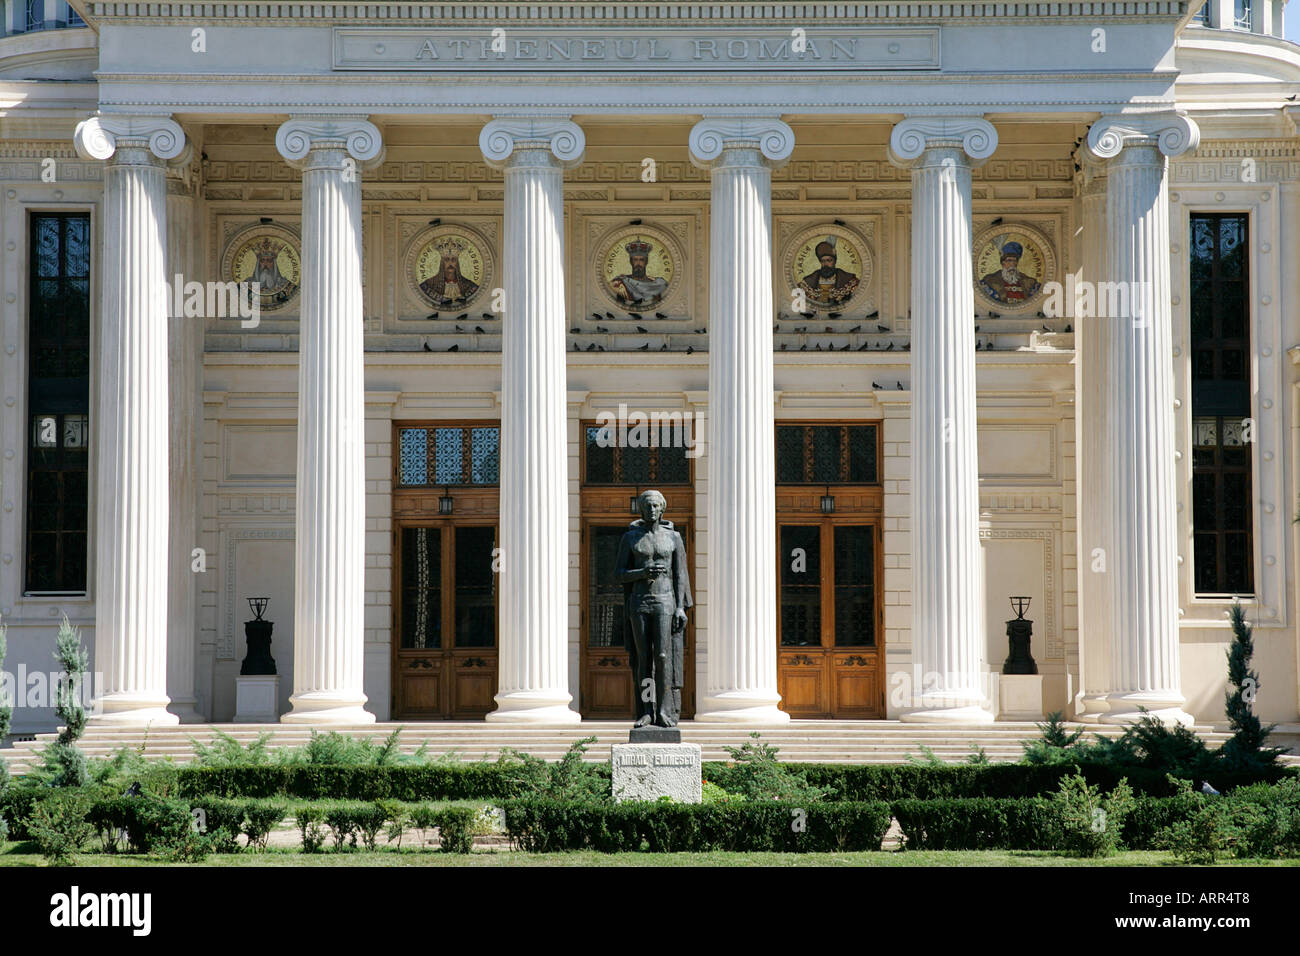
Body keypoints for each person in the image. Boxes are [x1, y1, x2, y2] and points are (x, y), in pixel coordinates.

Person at [614, 490, 692, 727]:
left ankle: (665, 711)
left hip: (665, 601)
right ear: (641, 508)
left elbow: (680, 575)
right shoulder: (631, 538)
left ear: (662, 509)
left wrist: (681, 608)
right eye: (647, 505)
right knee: (643, 658)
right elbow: (619, 574)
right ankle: (646, 711)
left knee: (663, 656)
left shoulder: (673, 538)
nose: (652, 509)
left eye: (656, 505)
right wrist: (641, 573)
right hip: (640, 602)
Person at [799, 236, 859, 306]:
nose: (826, 264)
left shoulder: (848, 280)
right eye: (823, 261)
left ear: (835, 261)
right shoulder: (810, 280)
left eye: (829, 260)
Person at [420, 238, 480, 305]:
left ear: (457, 263)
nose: (450, 263)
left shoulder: (469, 285)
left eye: (453, 260)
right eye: (447, 260)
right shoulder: (429, 284)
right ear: (442, 263)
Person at [610, 239, 669, 307]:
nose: (638, 263)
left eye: (641, 260)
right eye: (635, 260)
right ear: (631, 262)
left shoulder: (659, 284)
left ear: (646, 262)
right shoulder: (620, 284)